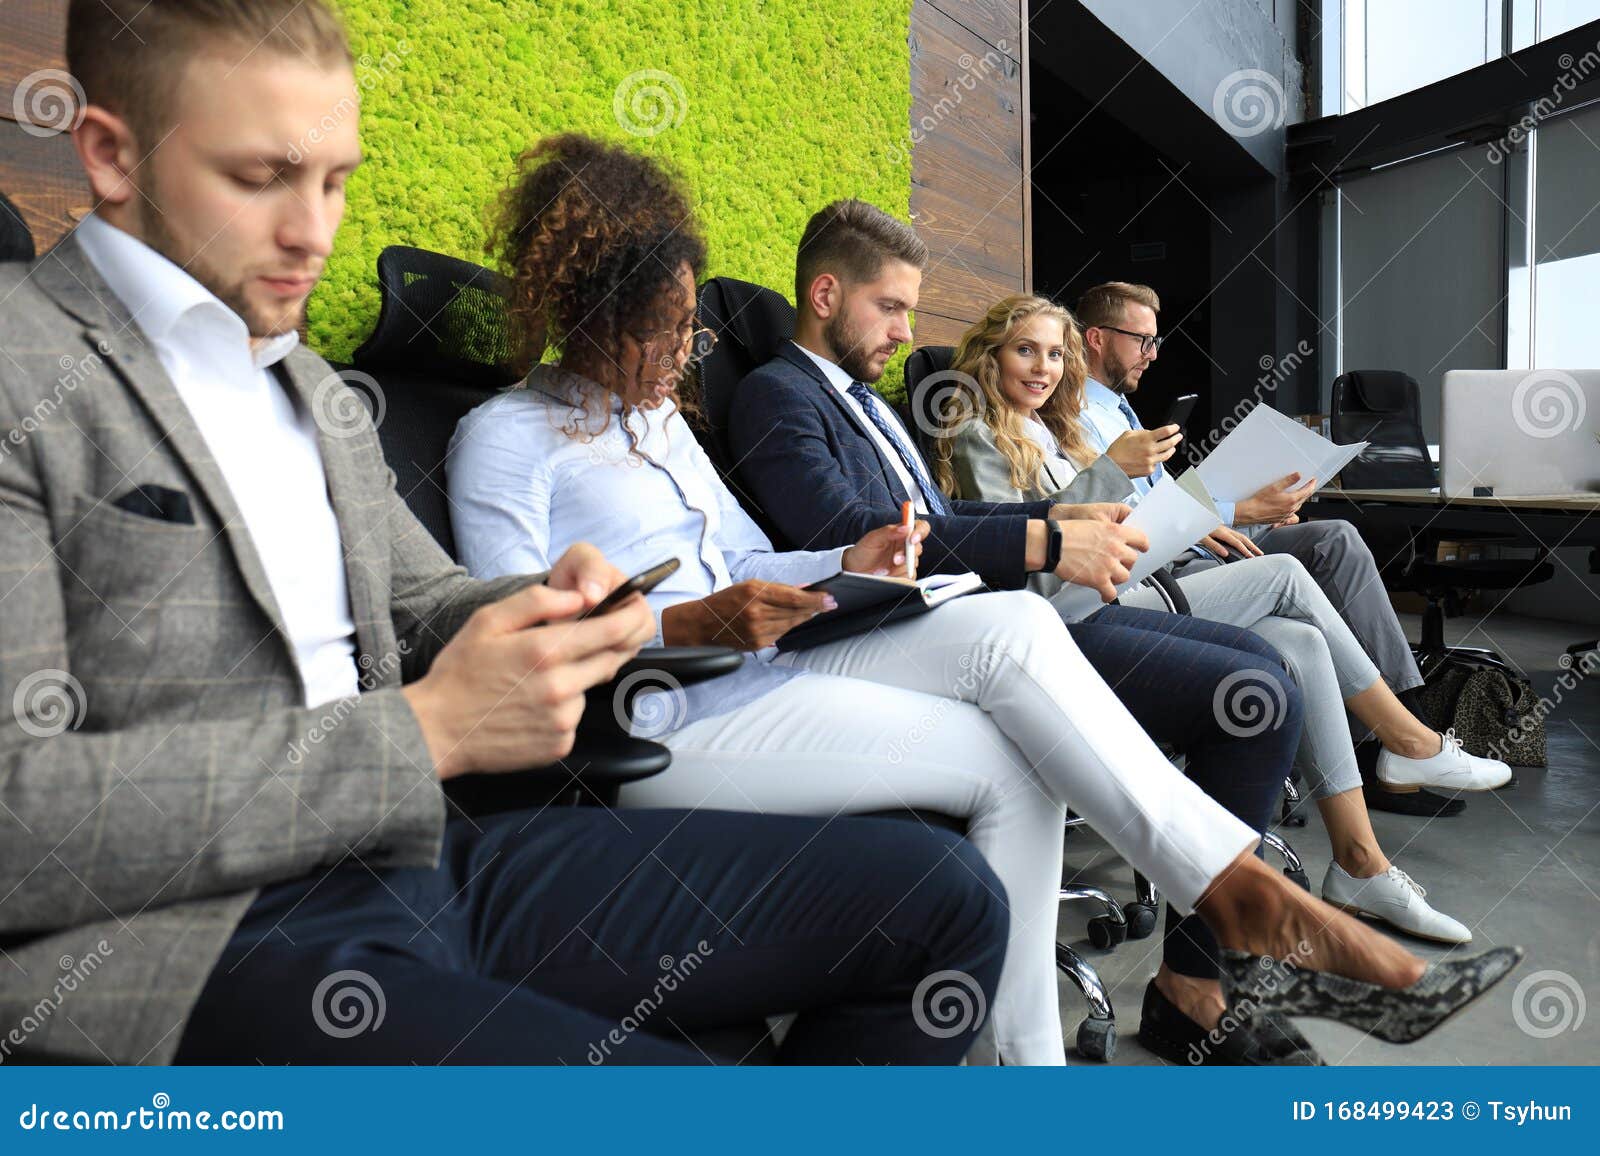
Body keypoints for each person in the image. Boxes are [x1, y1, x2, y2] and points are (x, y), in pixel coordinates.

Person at [0, 0, 1016, 1067]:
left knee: (944, 904)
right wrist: (428, 732)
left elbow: (428, 599)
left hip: (427, 856)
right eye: (262, 178)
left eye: (335, 180)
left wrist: (566, 603)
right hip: (200, 935)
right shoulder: (27, 369)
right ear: (112, 156)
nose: (313, 230)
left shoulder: (301, 384)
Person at [450, 144, 1520, 1065]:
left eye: (690, 330)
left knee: (1013, 650)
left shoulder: (663, 428)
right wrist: (684, 623)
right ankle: (1227, 889)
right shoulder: (503, 438)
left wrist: (848, 550)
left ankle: (1064, 1037)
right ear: (586, 313)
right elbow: (511, 636)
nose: (684, 358)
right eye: (662, 332)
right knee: (1020, 725)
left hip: (775, 655)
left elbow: (748, 552)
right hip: (671, 711)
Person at [933, 296, 1514, 1060]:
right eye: (1024, 353)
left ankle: (1360, 861)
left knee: (1300, 645)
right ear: (991, 356)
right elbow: (1024, 550)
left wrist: (1173, 504)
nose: (1042, 369)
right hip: (1073, 611)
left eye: (1052, 355)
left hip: (1131, 578)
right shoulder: (978, 434)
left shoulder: (1065, 428)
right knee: (1287, 578)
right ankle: (1406, 739)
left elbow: (1124, 522)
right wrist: (1119, 477)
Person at [1073, 281, 1471, 818]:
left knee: (1336, 538)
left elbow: (1159, 497)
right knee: (1295, 585)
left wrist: (1243, 502)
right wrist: (1230, 512)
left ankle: (1394, 731)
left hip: (1196, 533)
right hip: (1162, 559)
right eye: (1142, 340)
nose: (1153, 353)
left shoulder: (1122, 410)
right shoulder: (1073, 417)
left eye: (1155, 340)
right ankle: (1401, 740)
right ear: (1097, 338)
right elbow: (1116, 518)